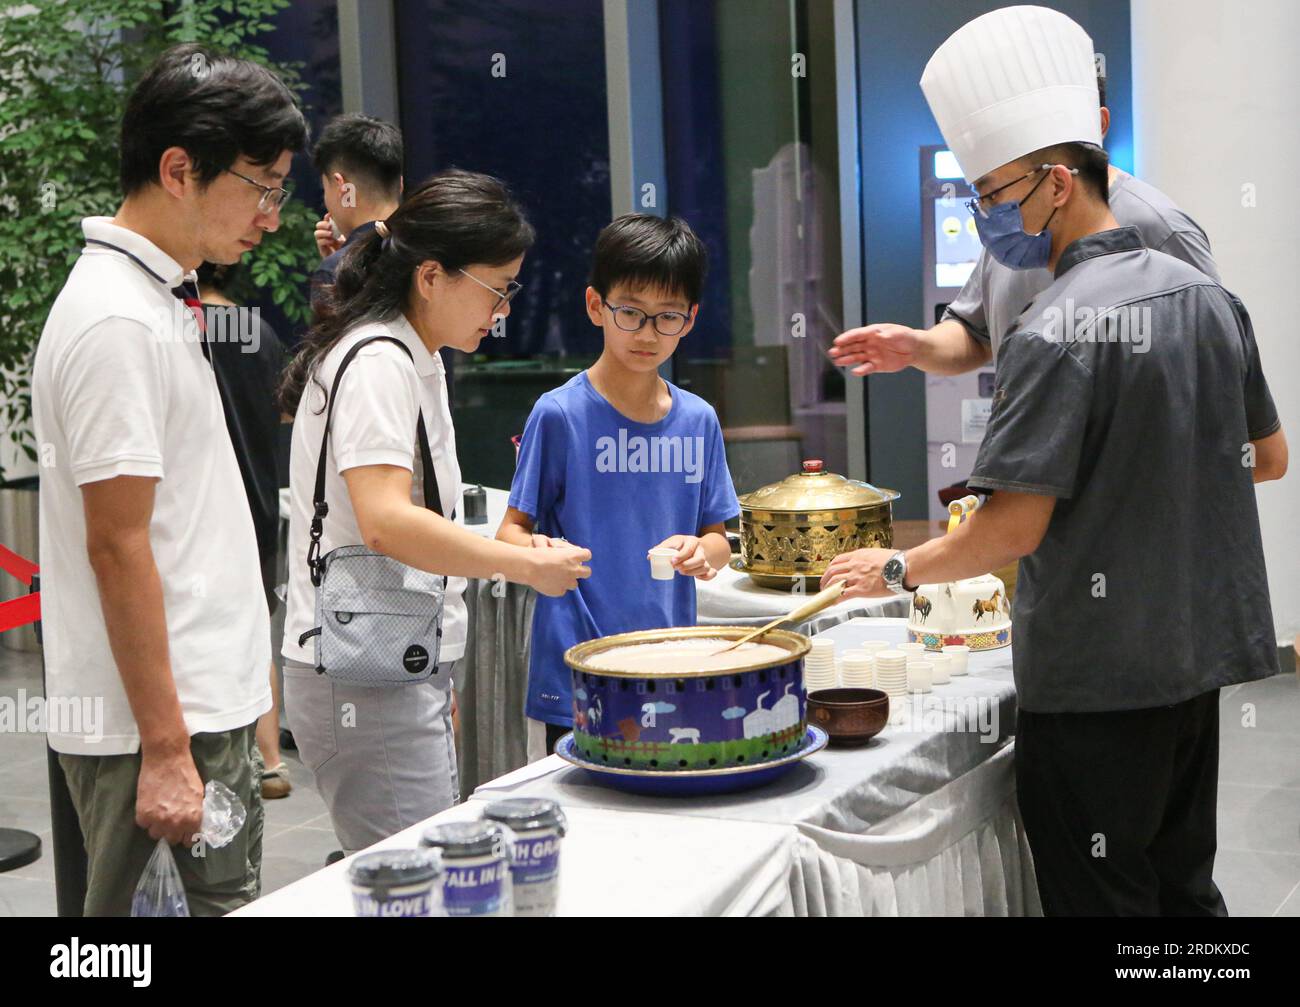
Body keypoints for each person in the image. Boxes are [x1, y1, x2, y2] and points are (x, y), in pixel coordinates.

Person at [822, 5, 1288, 916]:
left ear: (1059, 181)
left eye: (993, 193)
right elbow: (1265, 456)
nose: (984, 213)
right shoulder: (1210, 299)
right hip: (1193, 666)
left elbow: (1012, 525)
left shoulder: (1053, 330)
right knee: (1183, 890)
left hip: (1098, 675)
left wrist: (891, 566)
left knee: (1104, 899)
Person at [31, 44, 307, 916]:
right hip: (158, 728)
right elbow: (118, 545)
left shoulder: (158, 297)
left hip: (193, 714)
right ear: (180, 169)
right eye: (262, 187)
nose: (271, 216)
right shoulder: (115, 317)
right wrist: (163, 748)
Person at [278, 169, 592, 853]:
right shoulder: (380, 363)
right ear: (431, 276)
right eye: (496, 286)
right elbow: (387, 521)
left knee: (418, 873)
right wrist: (518, 563)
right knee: (420, 882)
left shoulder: (408, 353)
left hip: (387, 656)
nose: (504, 307)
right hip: (363, 668)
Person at [497, 214, 740, 758]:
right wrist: (540, 552)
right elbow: (510, 533)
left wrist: (702, 552)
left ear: (691, 318)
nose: (648, 333)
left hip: (669, 661)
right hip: (576, 670)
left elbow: (719, 539)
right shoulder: (558, 415)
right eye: (630, 312)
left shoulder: (699, 420)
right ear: (595, 306)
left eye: (667, 317)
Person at [830, 65, 1218, 379]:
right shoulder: (1012, 219)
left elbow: (1216, 387)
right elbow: (976, 334)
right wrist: (919, 347)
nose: (995, 205)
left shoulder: (1160, 230)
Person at [196, 260, 292, 800]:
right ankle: (272, 760)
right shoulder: (260, 332)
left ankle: (219, 761)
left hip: (207, 513)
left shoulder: (180, 325)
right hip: (259, 502)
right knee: (257, 634)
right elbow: (285, 412)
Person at [308, 113, 404, 310]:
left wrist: (340, 262)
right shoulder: (431, 249)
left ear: (342, 187)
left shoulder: (335, 273)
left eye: (325, 189)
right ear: (400, 184)